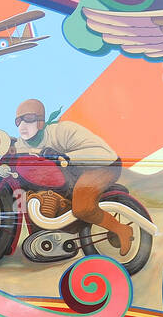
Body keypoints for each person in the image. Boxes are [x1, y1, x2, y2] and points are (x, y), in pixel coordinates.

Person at [10, 99, 135, 257]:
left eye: (28, 119)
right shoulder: (20, 145)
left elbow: (104, 153)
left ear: (41, 122)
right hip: (70, 177)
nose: (22, 125)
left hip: (101, 166)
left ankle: (121, 230)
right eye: (18, 120)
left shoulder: (62, 131)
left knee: (83, 207)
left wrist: (65, 157)